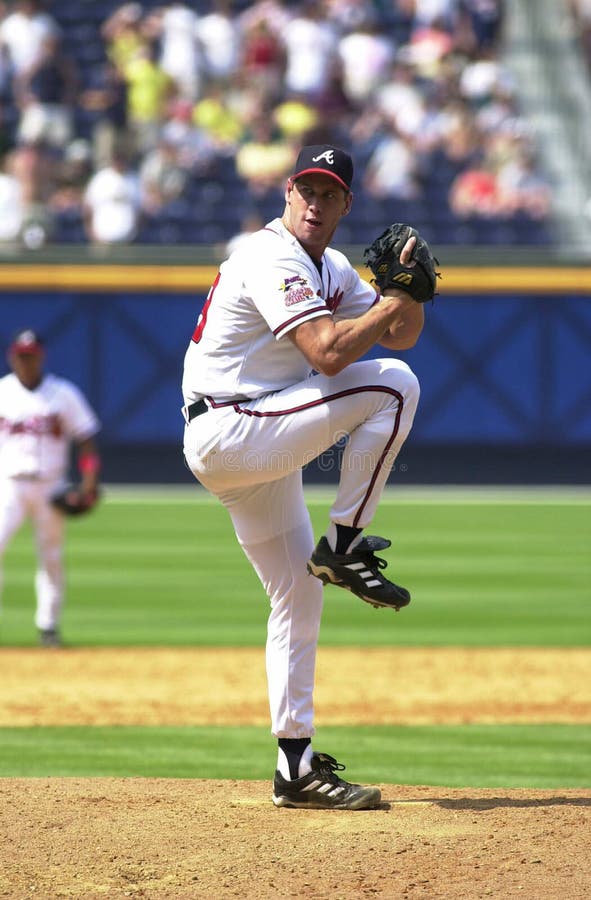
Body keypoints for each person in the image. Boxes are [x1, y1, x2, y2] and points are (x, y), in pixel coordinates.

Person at [181, 144, 424, 810]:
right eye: (306, 191)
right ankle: (344, 544)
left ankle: (295, 766)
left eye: (329, 195)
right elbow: (326, 350)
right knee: (395, 389)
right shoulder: (272, 255)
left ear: (346, 204)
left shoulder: (332, 266)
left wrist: (407, 293)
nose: (315, 204)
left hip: (249, 438)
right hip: (233, 426)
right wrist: (388, 302)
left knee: (297, 596)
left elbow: (401, 332)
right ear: (287, 193)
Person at [0, 329, 101, 647]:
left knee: (51, 558)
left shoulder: (63, 394)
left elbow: (87, 441)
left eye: (30, 356)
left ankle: (48, 628)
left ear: (40, 357)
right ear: (11, 357)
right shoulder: (2, 392)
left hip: (50, 486)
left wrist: (88, 485)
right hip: (9, 485)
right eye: (20, 356)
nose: (25, 361)